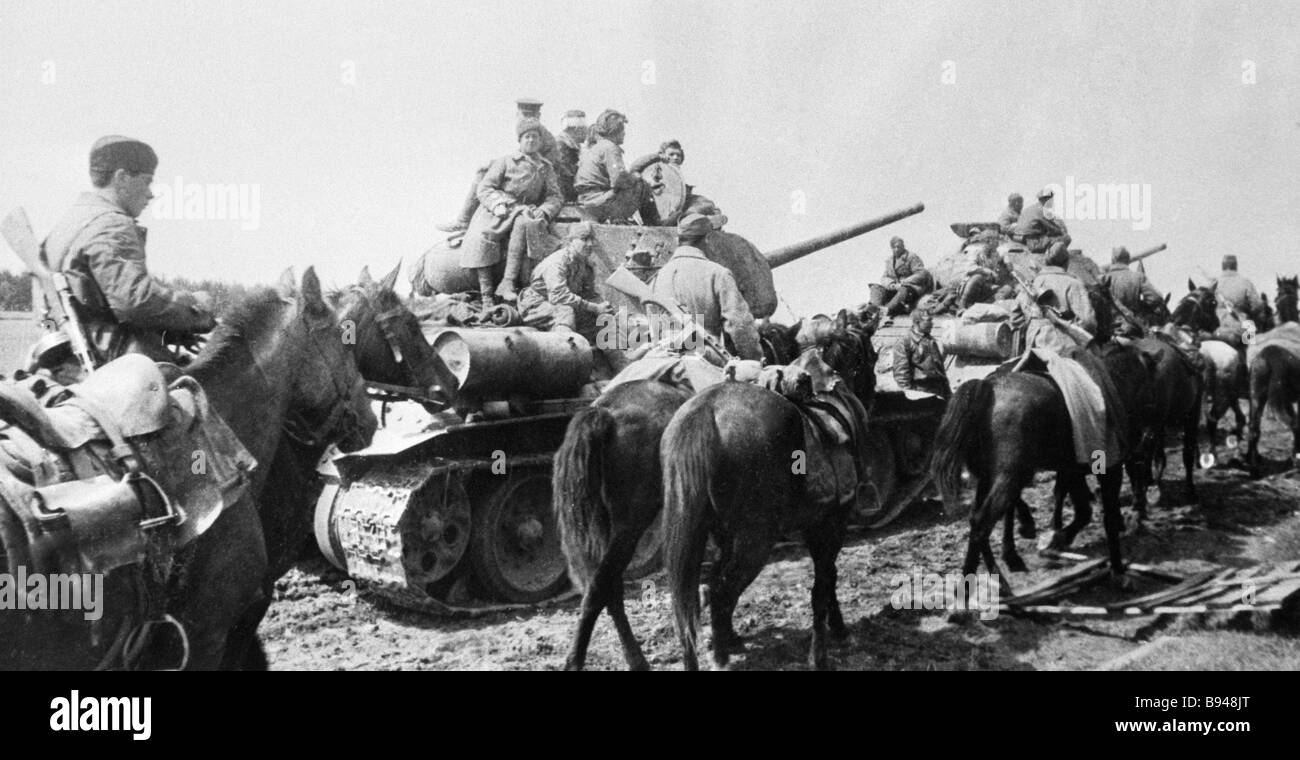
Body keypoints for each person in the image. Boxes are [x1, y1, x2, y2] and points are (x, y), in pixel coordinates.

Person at [41, 135, 216, 365]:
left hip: (68, 356)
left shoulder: (67, 224)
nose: (151, 193)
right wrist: (196, 310)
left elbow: (60, 311)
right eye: (146, 181)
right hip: (117, 364)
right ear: (122, 178)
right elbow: (136, 303)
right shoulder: (113, 224)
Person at [457, 119, 562, 306]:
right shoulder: (505, 161)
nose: (531, 140)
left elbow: (555, 197)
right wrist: (497, 204)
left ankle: (508, 282)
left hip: (524, 211)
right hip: (498, 211)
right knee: (481, 238)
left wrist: (545, 211)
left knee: (526, 222)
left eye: (535, 137)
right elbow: (485, 188)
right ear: (520, 141)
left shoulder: (545, 167)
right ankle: (486, 294)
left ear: (540, 141)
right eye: (527, 137)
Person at [437, 98, 562, 232]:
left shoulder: (542, 135)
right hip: (521, 175)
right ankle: (466, 219)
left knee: (482, 176)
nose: (526, 118)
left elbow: (547, 163)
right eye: (524, 114)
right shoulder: (525, 130)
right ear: (518, 114)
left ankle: (464, 219)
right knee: (485, 173)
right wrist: (494, 163)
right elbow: (517, 156)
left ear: (538, 116)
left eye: (530, 115)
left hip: (540, 181)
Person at [650, 213, 761, 360]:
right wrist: (754, 360)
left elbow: (652, 328)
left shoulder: (657, 278)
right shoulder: (718, 274)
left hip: (665, 362)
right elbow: (740, 326)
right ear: (708, 239)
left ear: (679, 240)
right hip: (706, 360)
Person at [516, 222, 611, 340]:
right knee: (565, 313)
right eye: (584, 239)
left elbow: (589, 294)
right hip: (535, 305)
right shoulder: (557, 263)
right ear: (570, 241)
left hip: (562, 303)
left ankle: (618, 357)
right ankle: (564, 354)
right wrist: (594, 307)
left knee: (605, 316)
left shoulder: (585, 264)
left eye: (592, 239)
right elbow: (558, 296)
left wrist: (601, 307)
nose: (590, 244)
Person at [573, 109, 660, 225]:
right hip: (597, 201)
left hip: (586, 198)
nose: (624, 133)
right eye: (622, 129)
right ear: (615, 131)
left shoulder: (596, 147)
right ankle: (655, 224)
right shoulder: (610, 148)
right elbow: (619, 182)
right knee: (642, 185)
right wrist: (637, 178)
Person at [629, 139, 725, 226]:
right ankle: (696, 221)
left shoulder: (678, 178)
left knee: (706, 204)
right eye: (671, 154)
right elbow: (634, 168)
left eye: (678, 155)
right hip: (654, 214)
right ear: (662, 154)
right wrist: (657, 157)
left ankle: (701, 219)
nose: (675, 157)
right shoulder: (654, 170)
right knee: (681, 215)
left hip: (678, 209)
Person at [1019, 245, 1095, 354]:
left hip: (1033, 344)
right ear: (1067, 263)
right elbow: (1088, 321)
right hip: (1063, 346)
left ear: (1046, 261)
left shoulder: (1032, 282)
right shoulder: (1073, 283)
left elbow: (1016, 317)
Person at [1101, 246, 1162, 336]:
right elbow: (1155, 298)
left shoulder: (1102, 278)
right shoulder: (1138, 277)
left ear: (1113, 260)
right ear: (1128, 260)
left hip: (1108, 327)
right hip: (1133, 324)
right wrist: (1141, 306)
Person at [892, 309, 949, 398]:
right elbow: (901, 374)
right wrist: (910, 397)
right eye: (928, 320)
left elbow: (939, 370)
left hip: (937, 391)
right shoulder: (904, 342)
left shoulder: (930, 340)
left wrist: (947, 393)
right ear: (917, 322)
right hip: (920, 392)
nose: (932, 324)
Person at [870, 237, 935, 316]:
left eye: (899, 247)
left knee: (904, 290)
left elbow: (921, 273)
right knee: (875, 287)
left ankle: (887, 309)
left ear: (903, 246)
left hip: (911, 288)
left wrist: (904, 282)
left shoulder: (911, 257)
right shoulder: (889, 261)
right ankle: (874, 309)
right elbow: (884, 277)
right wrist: (892, 284)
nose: (897, 249)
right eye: (894, 247)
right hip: (895, 288)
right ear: (891, 248)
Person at [1012, 186, 1071, 256]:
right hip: (1032, 242)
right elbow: (1054, 229)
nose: (1052, 202)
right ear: (1046, 200)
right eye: (1051, 199)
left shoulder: (1031, 208)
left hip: (1019, 239)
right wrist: (1062, 230)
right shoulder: (1043, 211)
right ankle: (1053, 259)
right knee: (1066, 238)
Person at [1213, 254, 1264, 323]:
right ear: (1236, 266)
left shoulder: (1213, 284)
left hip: (1218, 325)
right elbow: (1258, 305)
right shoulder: (1245, 282)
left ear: (1222, 266)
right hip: (1241, 326)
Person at [554, 109, 587, 203]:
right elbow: (565, 179)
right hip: (563, 201)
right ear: (577, 129)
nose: (586, 132)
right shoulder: (562, 147)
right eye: (584, 128)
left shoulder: (572, 146)